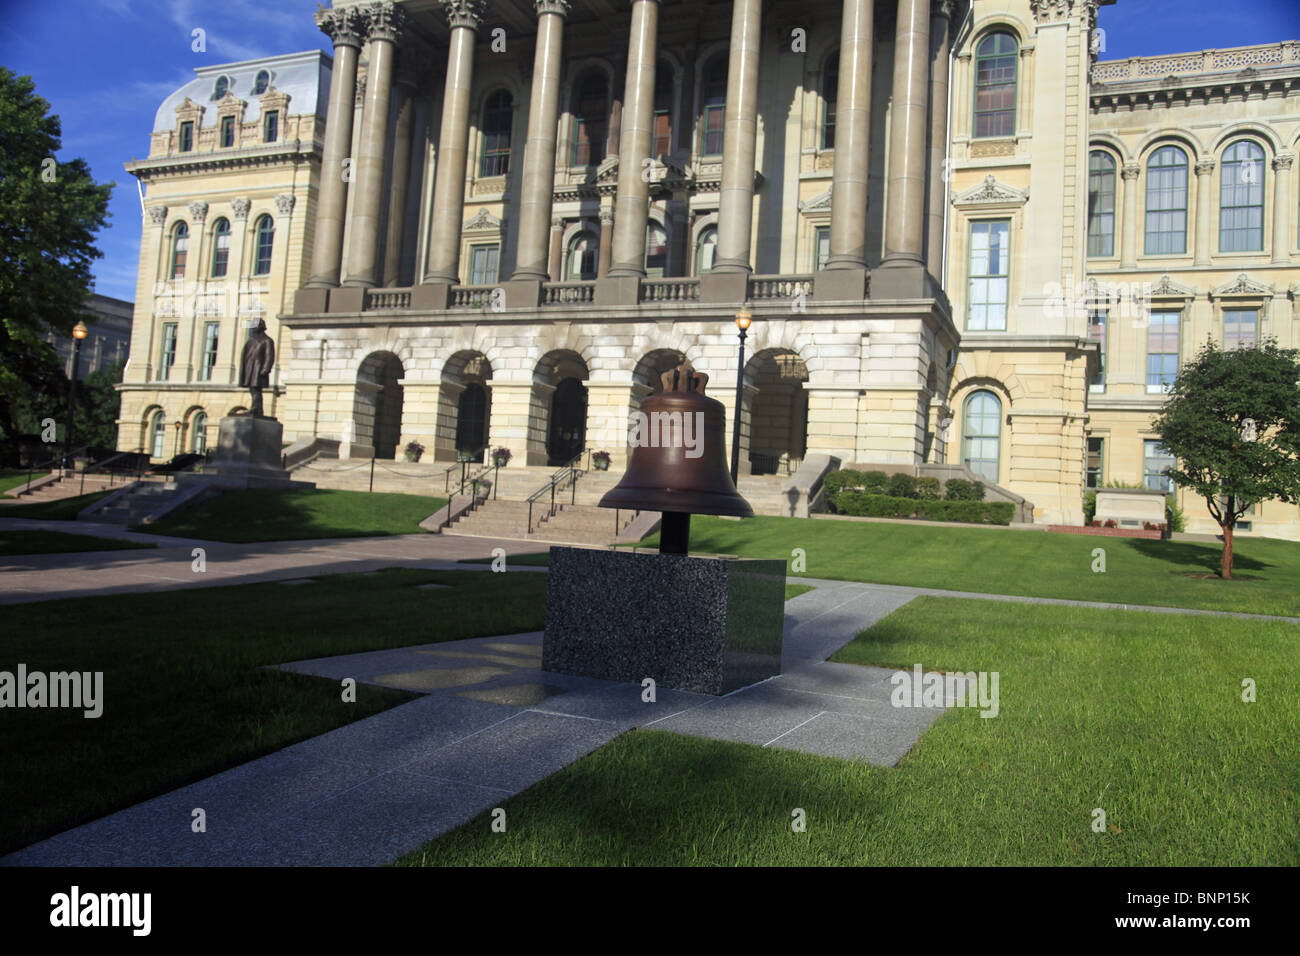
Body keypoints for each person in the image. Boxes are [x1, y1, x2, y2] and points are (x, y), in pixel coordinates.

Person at [239, 318, 275, 417]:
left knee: (256, 390)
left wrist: (266, 369)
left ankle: (256, 408)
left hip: (258, 369)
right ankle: (257, 408)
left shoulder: (267, 340)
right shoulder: (251, 340)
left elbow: (269, 356)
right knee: (252, 389)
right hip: (250, 368)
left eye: (255, 326)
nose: (253, 328)